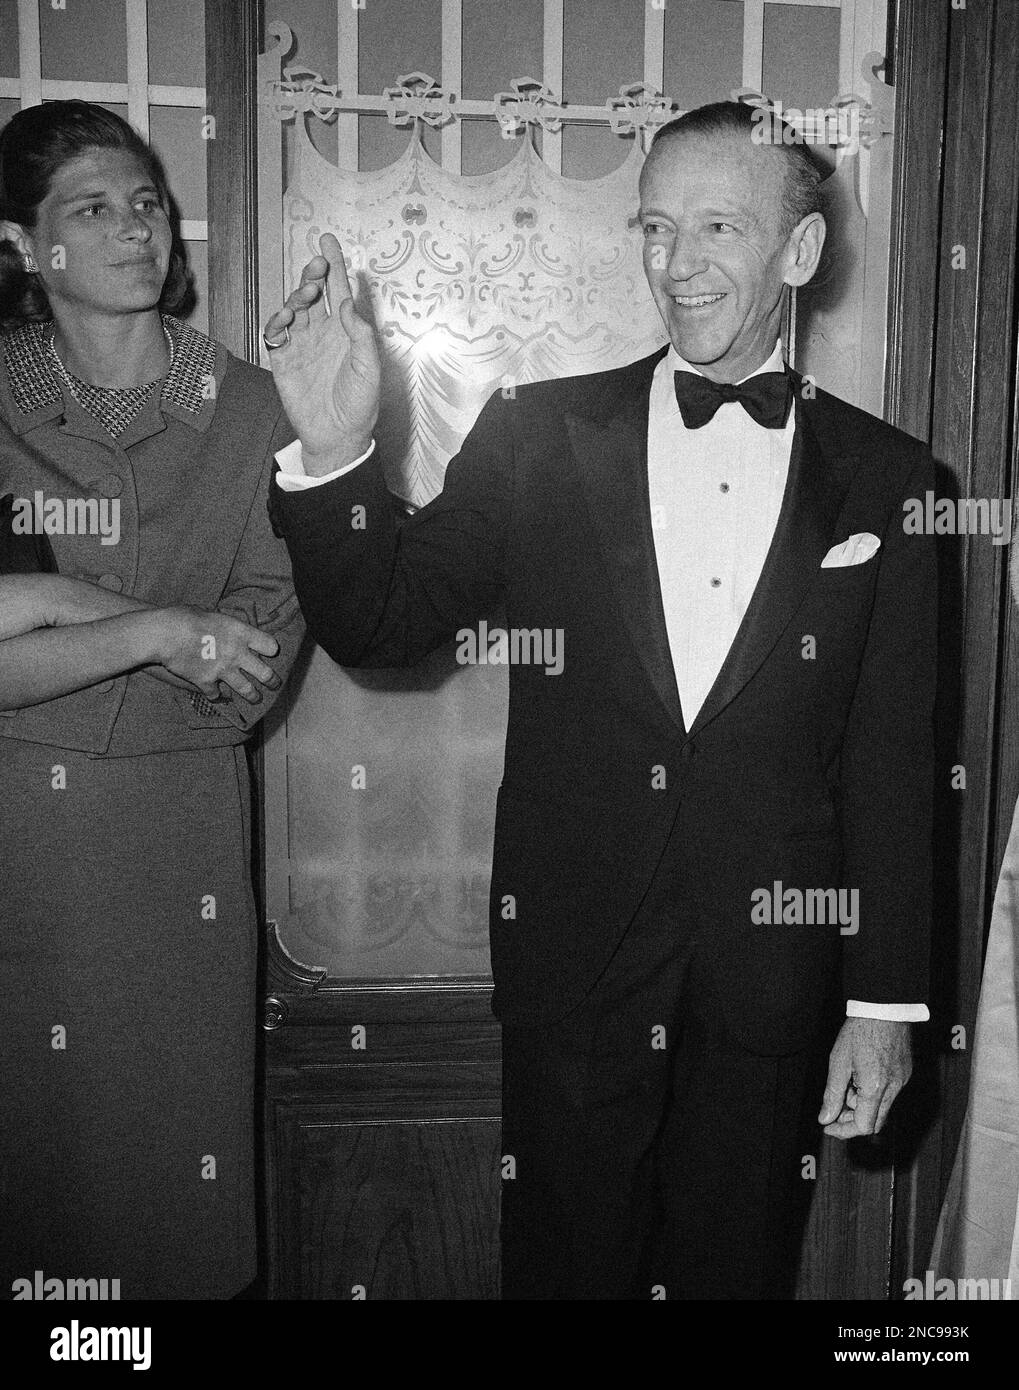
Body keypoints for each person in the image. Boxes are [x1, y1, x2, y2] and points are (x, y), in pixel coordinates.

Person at [264, 100, 937, 1299]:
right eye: (654, 227)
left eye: (716, 226)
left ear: (796, 253)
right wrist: (332, 454)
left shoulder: (890, 480)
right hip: (574, 957)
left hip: (767, 976)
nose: (674, 266)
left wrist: (882, 1003)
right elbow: (379, 624)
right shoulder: (537, 434)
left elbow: (890, 768)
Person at [0, 101, 305, 1300]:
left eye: (144, 202)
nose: (134, 227)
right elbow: (203, 646)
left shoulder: (254, 410)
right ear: (26, 245)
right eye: (91, 206)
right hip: (18, 847)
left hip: (177, 850)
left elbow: (254, 671)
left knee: (172, 1211)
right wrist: (157, 631)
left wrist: (51, 623)